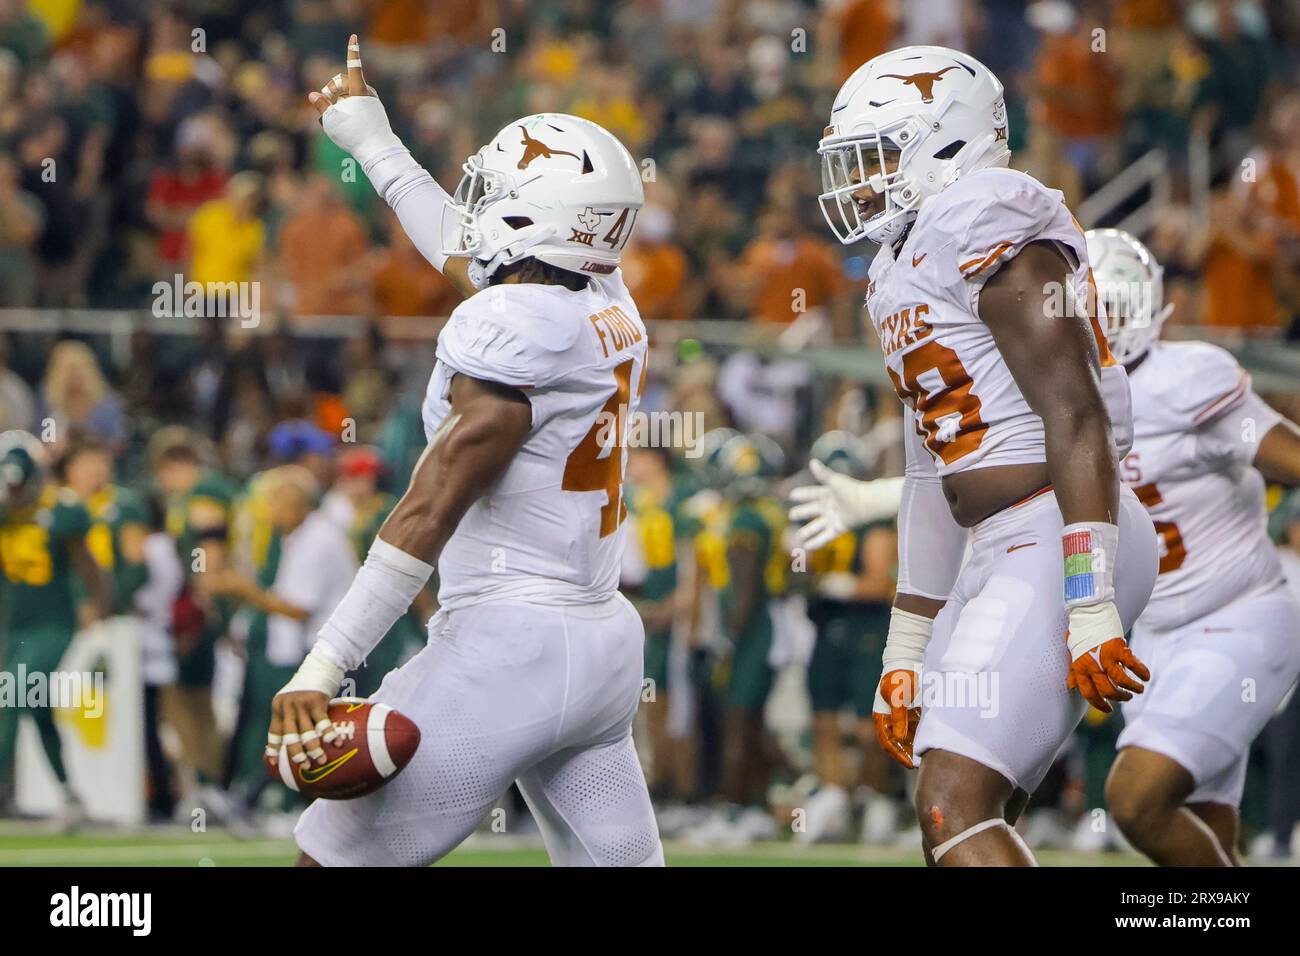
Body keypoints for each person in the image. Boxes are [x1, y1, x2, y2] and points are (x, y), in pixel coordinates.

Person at [269, 37, 662, 867]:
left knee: (326, 864)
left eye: (495, 195)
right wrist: (374, 143)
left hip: (506, 646)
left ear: (534, 221)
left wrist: (324, 665)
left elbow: (429, 509)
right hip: (601, 647)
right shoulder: (607, 301)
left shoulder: (508, 326)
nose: (474, 207)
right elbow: (468, 250)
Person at [787, 45, 1158, 866]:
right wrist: (905, 650)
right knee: (959, 821)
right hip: (996, 547)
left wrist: (1088, 602)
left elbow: (1077, 414)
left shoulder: (989, 214)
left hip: (1057, 528)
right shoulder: (899, 265)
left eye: (882, 157)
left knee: (952, 806)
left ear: (945, 143)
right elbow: (931, 470)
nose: (864, 181)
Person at [1085, 228, 1300, 866]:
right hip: (1152, 641)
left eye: (1110, 304)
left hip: (1236, 618)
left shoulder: (1187, 379)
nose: (1097, 319)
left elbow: (1286, 454)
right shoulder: (1055, 401)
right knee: (1206, 828)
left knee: (1135, 801)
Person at [0, 430, 108, 825]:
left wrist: (98, 605)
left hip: (52, 624)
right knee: (33, 705)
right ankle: (69, 795)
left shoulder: (60, 510)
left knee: (11, 693)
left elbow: (89, 565)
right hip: (12, 626)